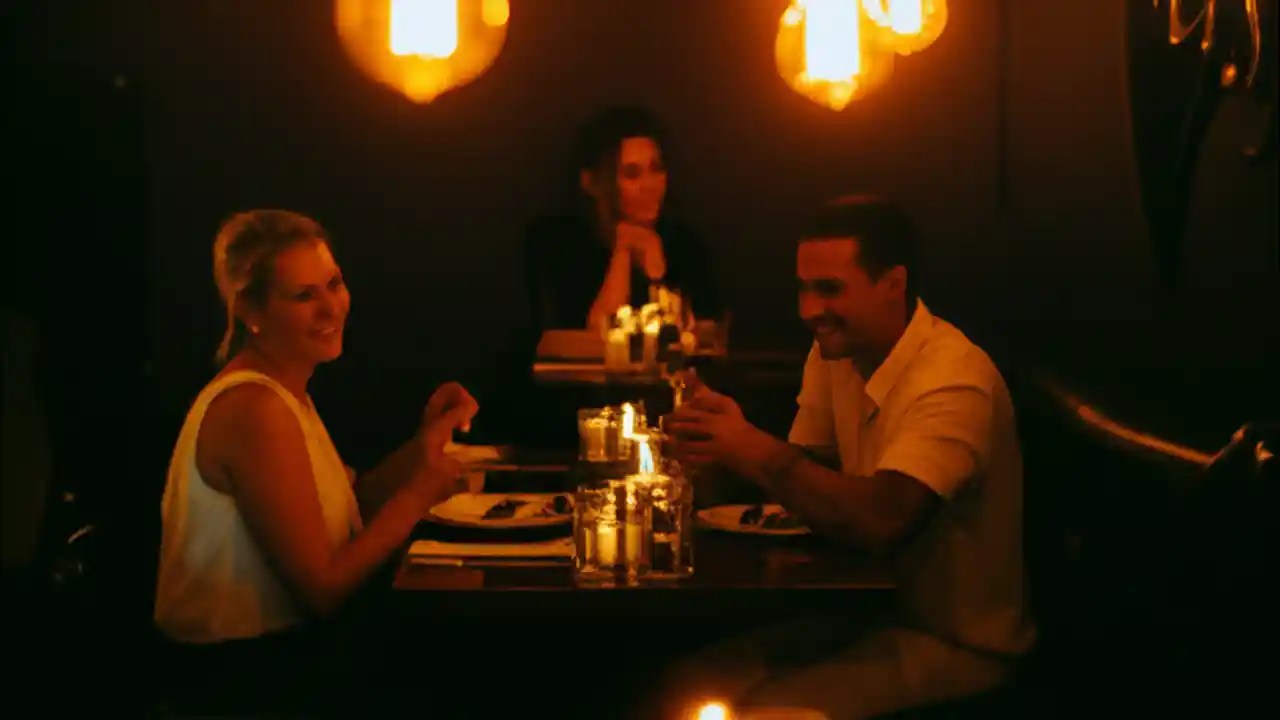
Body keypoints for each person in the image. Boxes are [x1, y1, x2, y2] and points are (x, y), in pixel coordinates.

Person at [660, 195, 1036, 718]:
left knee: (765, 713)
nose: (808, 310)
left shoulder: (953, 379)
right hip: (867, 614)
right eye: (803, 288)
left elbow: (882, 518)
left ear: (894, 286)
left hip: (958, 642)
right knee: (683, 687)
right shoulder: (836, 350)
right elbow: (802, 475)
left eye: (829, 289)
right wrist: (714, 451)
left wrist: (750, 446)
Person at [152, 209, 478, 711]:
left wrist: (425, 444)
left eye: (334, 283)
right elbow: (322, 590)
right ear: (250, 313)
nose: (332, 308)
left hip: (282, 665)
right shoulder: (253, 407)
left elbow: (352, 508)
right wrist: (416, 496)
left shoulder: (286, 388)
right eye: (304, 296)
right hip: (241, 685)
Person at [523, 105, 721, 333]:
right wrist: (623, 250)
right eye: (632, 174)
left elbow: (705, 335)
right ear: (591, 182)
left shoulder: (686, 246)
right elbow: (590, 340)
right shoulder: (558, 247)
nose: (650, 185)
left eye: (657, 169)